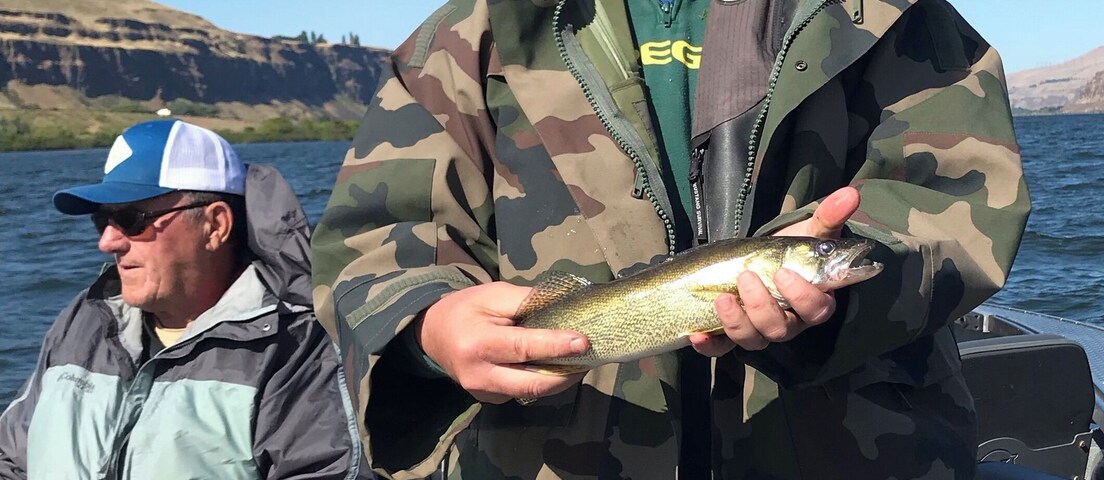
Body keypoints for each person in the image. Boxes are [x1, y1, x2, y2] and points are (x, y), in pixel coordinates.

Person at [311, 0, 1029, 478]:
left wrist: (844, 289)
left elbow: (963, 198)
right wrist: (430, 327)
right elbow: (374, 244)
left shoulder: (889, 13)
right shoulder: (470, 36)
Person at [0, 119, 368, 479]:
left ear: (215, 225)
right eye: (102, 220)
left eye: (131, 219)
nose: (107, 242)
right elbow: (11, 459)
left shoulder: (296, 352)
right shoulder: (81, 325)